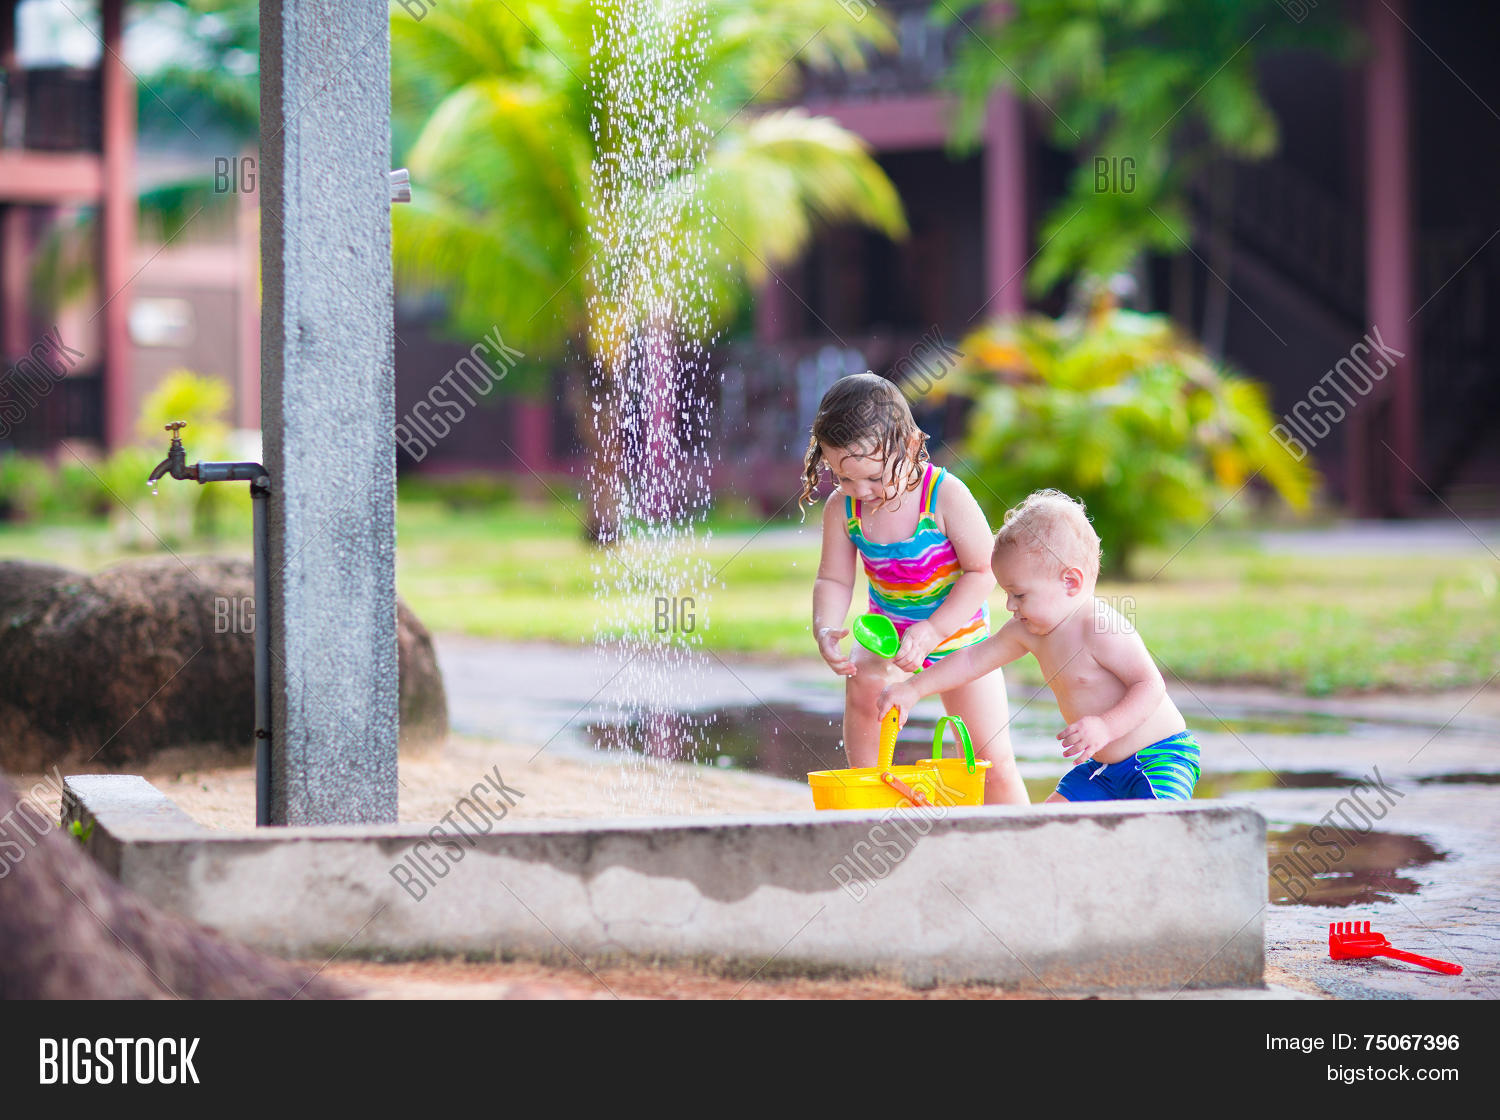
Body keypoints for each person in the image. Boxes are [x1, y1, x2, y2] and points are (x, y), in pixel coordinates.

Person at [878, 488, 1201, 803]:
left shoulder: (1100, 627)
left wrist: (1105, 726)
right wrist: (913, 689)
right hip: (1104, 770)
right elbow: (972, 660)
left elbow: (1150, 685)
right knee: (1046, 826)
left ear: (1070, 582)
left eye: (1019, 594)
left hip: (1160, 756)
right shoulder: (1027, 630)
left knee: (1156, 825)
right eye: (1007, 594)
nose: (1010, 605)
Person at [802, 373, 1028, 805]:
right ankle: (868, 792)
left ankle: (1024, 836)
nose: (861, 492)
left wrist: (933, 630)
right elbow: (833, 579)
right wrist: (825, 627)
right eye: (843, 478)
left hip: (959, 640)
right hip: (888, 637)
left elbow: (983, 570)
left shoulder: (944, 495)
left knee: (991, 762)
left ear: (908, 446)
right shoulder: (843, 509)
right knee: (863, 677)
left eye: (873, 477)